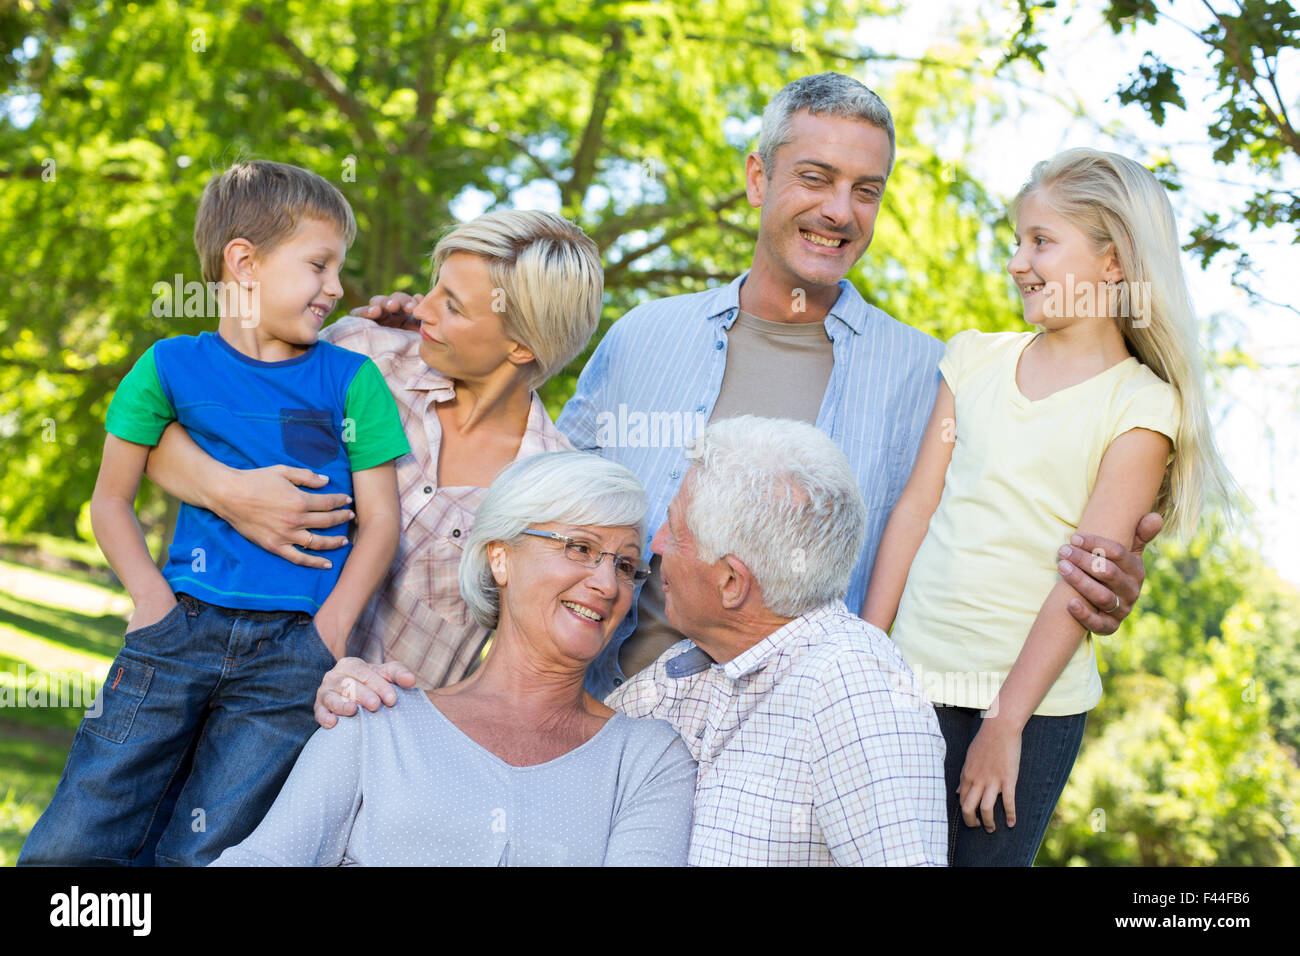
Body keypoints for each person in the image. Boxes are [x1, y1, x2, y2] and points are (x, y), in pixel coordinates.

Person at [19, 160, 409, 866]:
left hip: (292, 655)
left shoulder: (351, 379)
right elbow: (110, 500)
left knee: (206, 847)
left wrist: (330, 632)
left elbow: (382, 522)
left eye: (340, 270)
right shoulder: (168, 366)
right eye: (319, 265)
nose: (336, 288)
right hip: (176, 633)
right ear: (244, 263)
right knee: (80, 831)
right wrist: (148, 599)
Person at [861, 148, 1235, 866]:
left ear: (1112, 260)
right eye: (1016, 241)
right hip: (907, 683)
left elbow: (1082, 573)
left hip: (1032, 712)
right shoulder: (971, 360)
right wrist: (865, 655)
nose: (1017, 262)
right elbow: (916, 509)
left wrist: (1003, 725)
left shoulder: (1142, 407)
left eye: (1041, 241)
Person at [143, 210, 603, 713]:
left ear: (519, 347)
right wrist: (229, 491)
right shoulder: (363, 356)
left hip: (363, 754)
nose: (423, 310)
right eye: (434, 289)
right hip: (209, 685)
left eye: (452, 305)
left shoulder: (554, 499)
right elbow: (149, 441)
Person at [211, 452, 696, 866]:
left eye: (626, 566)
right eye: (580, 548)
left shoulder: (647, 759)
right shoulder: (375, 723)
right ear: (500, 558)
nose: (608, 585)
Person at [608, 416, 947, 866]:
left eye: (675, 529)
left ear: (732, 582)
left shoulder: (855, 686)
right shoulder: (696, 665)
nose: (656, 543)